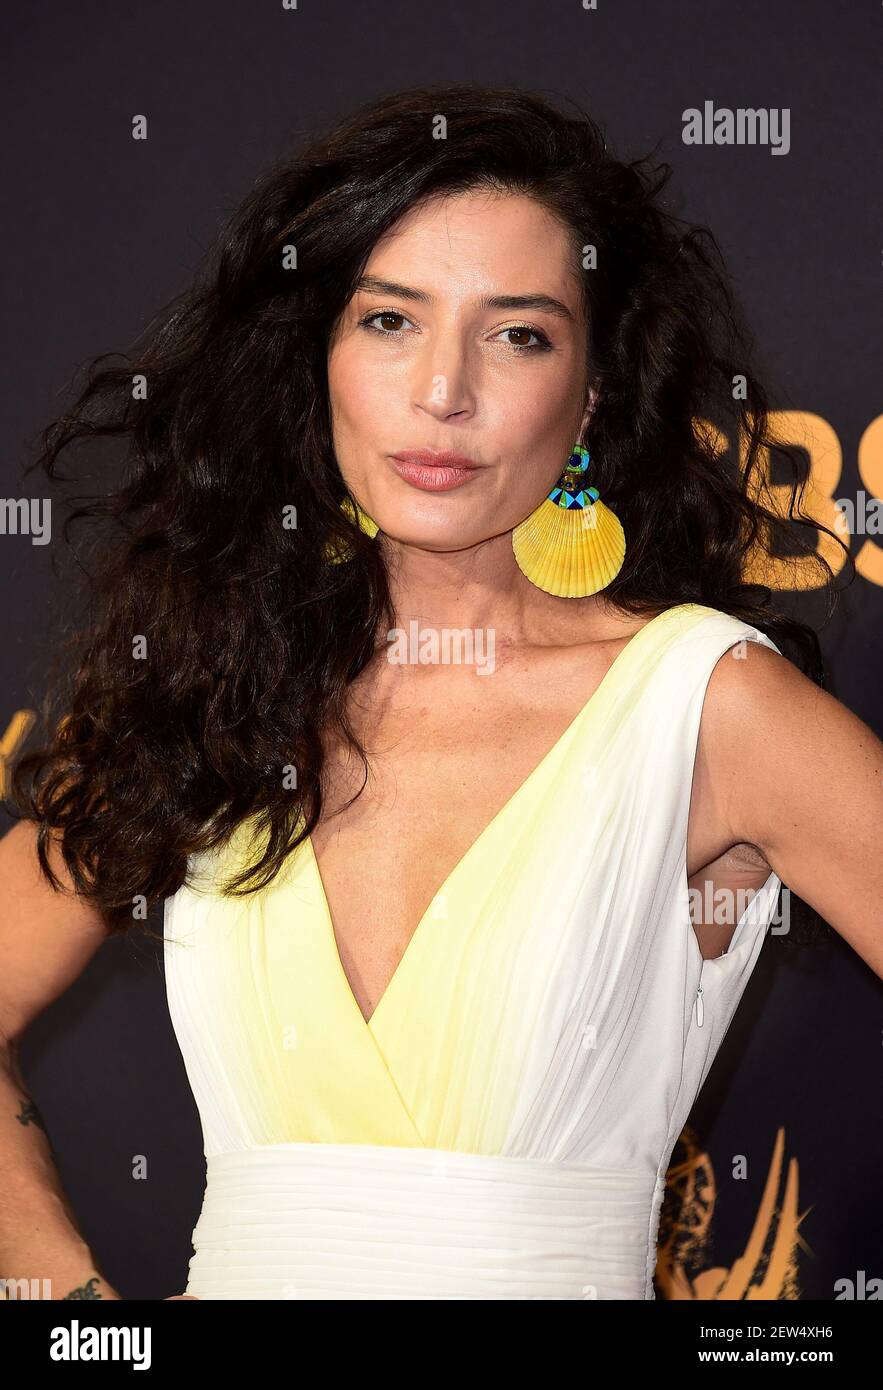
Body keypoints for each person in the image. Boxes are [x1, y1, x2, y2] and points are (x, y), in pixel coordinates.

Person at [1, 85, 880, 1302]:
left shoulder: (703, 705)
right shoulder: (222, 695)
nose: (441, 391)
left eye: (517, 335)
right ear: (316, 360)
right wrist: (69, 1302)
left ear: (593, 392)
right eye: (388, 320)